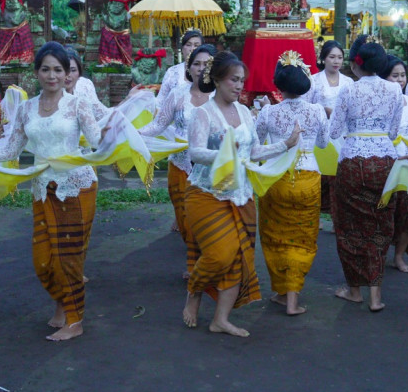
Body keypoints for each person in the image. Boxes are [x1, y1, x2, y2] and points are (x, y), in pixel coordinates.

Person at [0, 42, 104, 342]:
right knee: (43, 260)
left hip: (77, 187)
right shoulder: (26, 109)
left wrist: (124, 130)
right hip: (41, 189)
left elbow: (98, 142)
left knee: (68, 258)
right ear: (36, 72)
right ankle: (63, 305)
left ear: (67, 75)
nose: (52, 76)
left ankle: (74, 320)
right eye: (46, 69)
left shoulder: (78, 105)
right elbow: (10, 149)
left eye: (58, 70)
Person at [183, 51, 299, 337]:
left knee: (239, 256)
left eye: (242, 81)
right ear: (217, 79)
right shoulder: (203, 112)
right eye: (234, 80)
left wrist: (285, 144)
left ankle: (220, 319)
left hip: (241, 194)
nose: (239, 86)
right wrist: (225, 154)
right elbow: (195, 153)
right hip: (206, 193)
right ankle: (194, 291)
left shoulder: (246, 112)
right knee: (219, 255)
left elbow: (253, 151)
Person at [328, 36, 403, 312]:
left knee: (349, 226)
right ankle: (376, 295)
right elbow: (393, 133)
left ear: (357, 65)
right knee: (381, 225)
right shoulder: (395, 91)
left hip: (353, 162)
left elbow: (334, 131)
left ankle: (354, 290)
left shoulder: (348, 90)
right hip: (385, 161)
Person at [255, 51, 329, 315]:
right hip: (308, 177)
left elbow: (256, 146)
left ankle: (280, 291)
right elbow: (322, 143)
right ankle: (293, 299)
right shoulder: (318, 111)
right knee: (303, 237)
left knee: (275, 235)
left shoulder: (267, 113)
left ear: (279, 83)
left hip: (276, 178)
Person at [137, 44, 216, 278]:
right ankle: (195, 261)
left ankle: (204, 264)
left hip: (211, 169)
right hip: (180, 166)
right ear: (188, 68)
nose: (201, 69)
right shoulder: (177, 94)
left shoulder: (220, 94)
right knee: (185, 220)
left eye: (207, 64)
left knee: (207, 219)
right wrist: (132, 134)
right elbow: (158, 125)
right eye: (196, 64)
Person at [379, 54, 408, 273]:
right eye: (394, 76)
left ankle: (399, 256)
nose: (399, 80)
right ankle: (379, 254)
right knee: (385, 211)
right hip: (387, 164)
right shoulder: (377, 103)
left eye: (402, 75)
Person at [308, 40, 353, 218]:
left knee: (339, 178)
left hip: (342, 133)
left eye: (340, 58)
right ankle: (316, 214)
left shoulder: (349, 82)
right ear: (323, 59)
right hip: (320, 132)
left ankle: (337, 217)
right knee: (319, 176)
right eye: (332, 57)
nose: (336, 61)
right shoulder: (313, 80)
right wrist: (323, 110)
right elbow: (306, 106)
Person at [156, 29, 203, 110]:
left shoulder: (209, 71)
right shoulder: (172, 72)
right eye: (188, 45)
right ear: (182, 48)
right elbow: (160, 103)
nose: (192, 49)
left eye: (196, 45)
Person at [64, 47, 109, 121]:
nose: (68, 75)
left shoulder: (85, 85)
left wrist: (128, 99)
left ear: (79, 72)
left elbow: (103, 114)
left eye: (73, 70)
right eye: (63, 70)